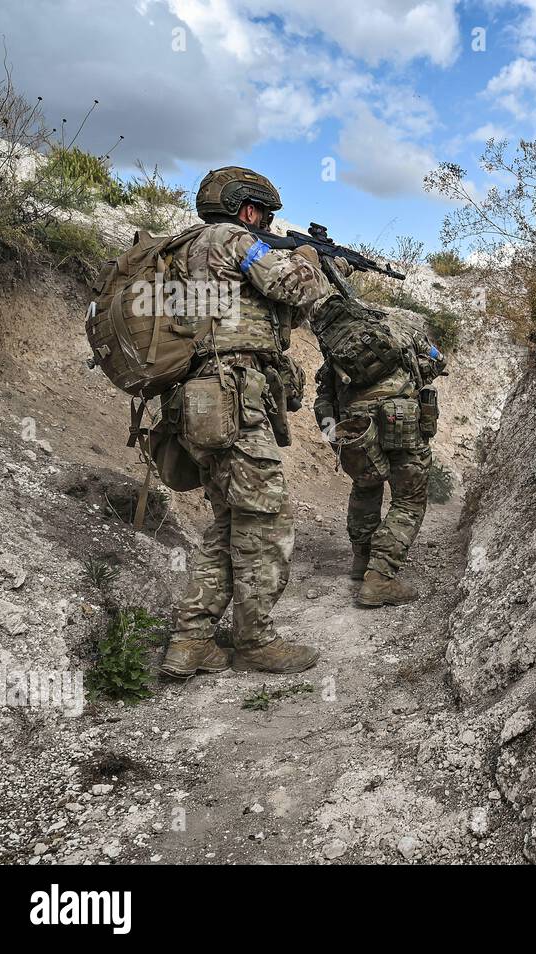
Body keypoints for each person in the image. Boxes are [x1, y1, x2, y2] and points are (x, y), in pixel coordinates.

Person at [159, 166, 336, 678]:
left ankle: (191, 641)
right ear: (248, 210)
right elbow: (294, 288)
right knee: (267, 518)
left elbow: (256, 311)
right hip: (232, 397)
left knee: (231, 520)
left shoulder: (183, 248)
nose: (266, 223)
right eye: (265, 215)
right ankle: (254, 641)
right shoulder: (232, 238)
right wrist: (306, 258)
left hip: (195, 402)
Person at [313, 302, 447, 607]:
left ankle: (361, 562)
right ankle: (380, 577)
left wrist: (334, 432)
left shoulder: (335, 353)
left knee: (365, 485)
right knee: (408, 499)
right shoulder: (405, 331)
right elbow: (438, 362)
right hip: (403, 421)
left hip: (356, 423)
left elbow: (325, 395)